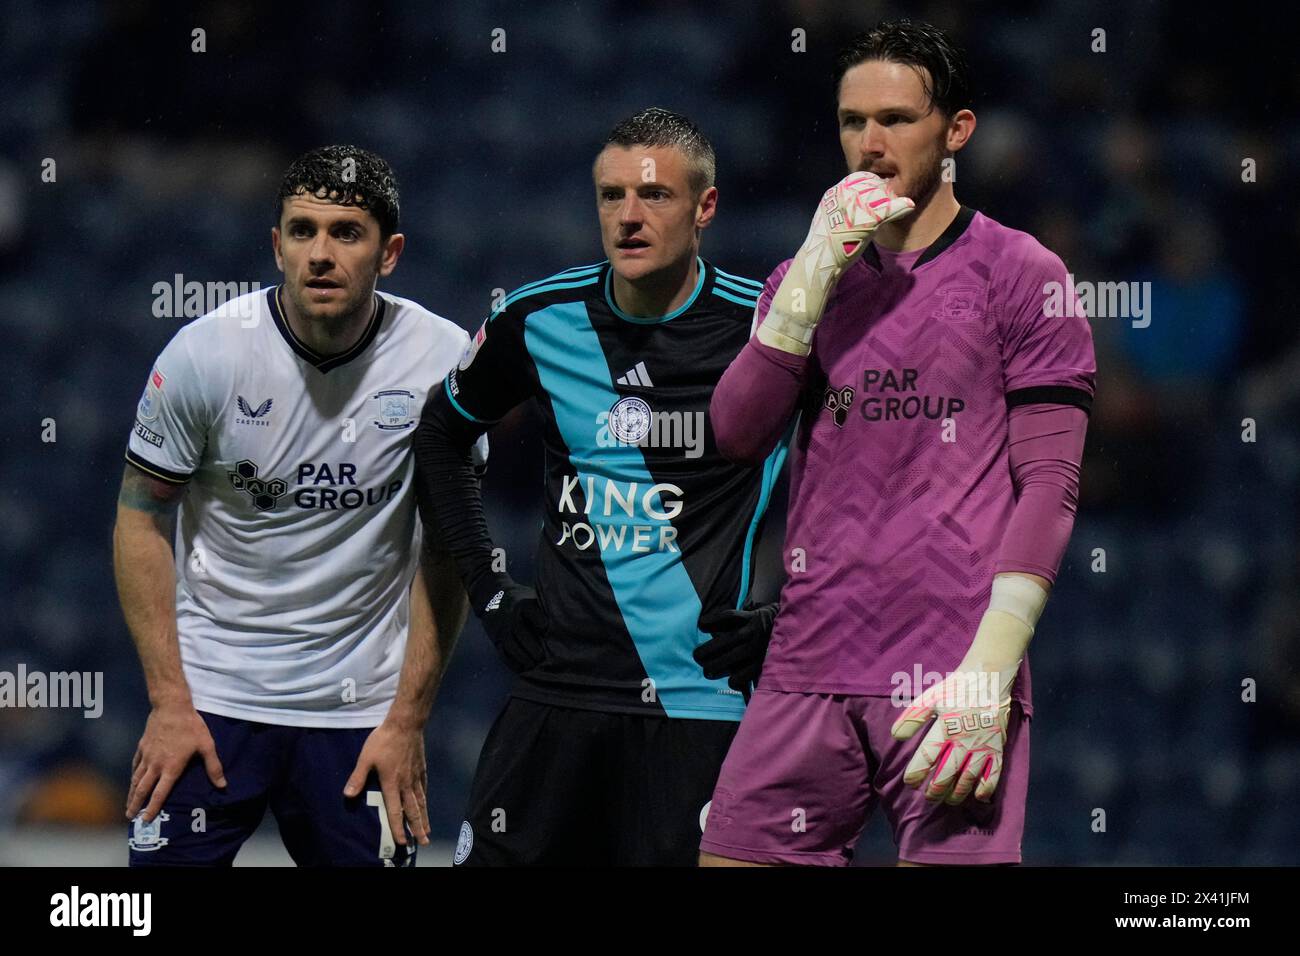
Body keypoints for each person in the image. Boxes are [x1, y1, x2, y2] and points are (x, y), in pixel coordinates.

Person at [699, 19, 1096, 867]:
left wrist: (992, 669)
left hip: (952, 676)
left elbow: (1051, 483)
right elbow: (735, 432)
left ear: (956, 132)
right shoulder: (806, 274)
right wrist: (809, 276)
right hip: (809, 659)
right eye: (851, 121)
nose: (870, 144)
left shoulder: (1026, 276)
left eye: (896, 119)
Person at [413, 107, 785, 865]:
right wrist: (488, 587)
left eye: (654, 196)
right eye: (611, 196)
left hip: (702, 709)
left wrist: (791, 617)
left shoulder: (770, 329)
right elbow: (440, 434)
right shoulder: (536, 318)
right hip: (555, 698)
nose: (628, 216)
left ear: (705, 207)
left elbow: (865, 479)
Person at [115, 145, 474, 866]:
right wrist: (169, 702)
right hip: (211, 705)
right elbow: (140, 517)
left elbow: (449, 546)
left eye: (346, 233)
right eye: (303, 231)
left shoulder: (444, 362)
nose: (320, 253)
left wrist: (407, 720)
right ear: (276, 245)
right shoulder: (204, 355)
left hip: (360, 718)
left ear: (390, 252)